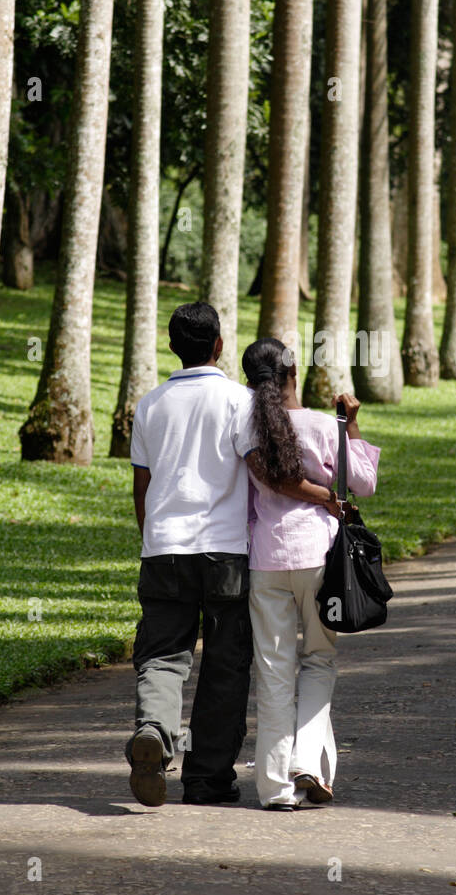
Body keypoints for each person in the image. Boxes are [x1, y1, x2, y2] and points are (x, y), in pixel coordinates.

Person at [126, 303, 335, 808]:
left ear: (173, 346)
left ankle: (154, 728)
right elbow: (263, 471)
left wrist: (154, 536)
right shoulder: (239, 402)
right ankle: (207, 780)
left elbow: (142, 486)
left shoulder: (150, 405)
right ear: (218, 346)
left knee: (161, 654)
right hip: (226, 554)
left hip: (164, 550)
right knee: (225, 664)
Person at [241, 337, 380, 811]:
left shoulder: (249, 431)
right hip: (321, 560)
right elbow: (364, 482)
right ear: (294, 373)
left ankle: (276, 789)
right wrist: (352, 423)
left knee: (274, 672)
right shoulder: (324, 426)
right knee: (319, 661)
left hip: (266, 562)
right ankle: (305, 762)